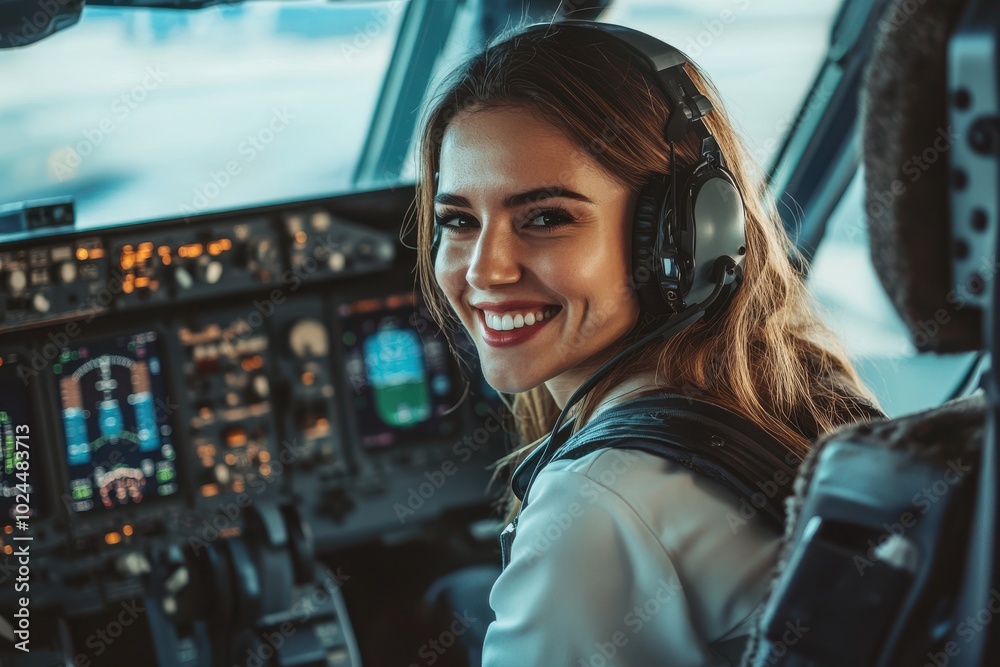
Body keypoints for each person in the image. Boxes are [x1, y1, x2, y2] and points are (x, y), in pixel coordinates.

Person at [410, 19, 883, 666]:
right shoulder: (800, 384)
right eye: (458, 220)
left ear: (683, 236)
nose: (483, 270)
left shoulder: (596, 505)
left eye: (545, 218)